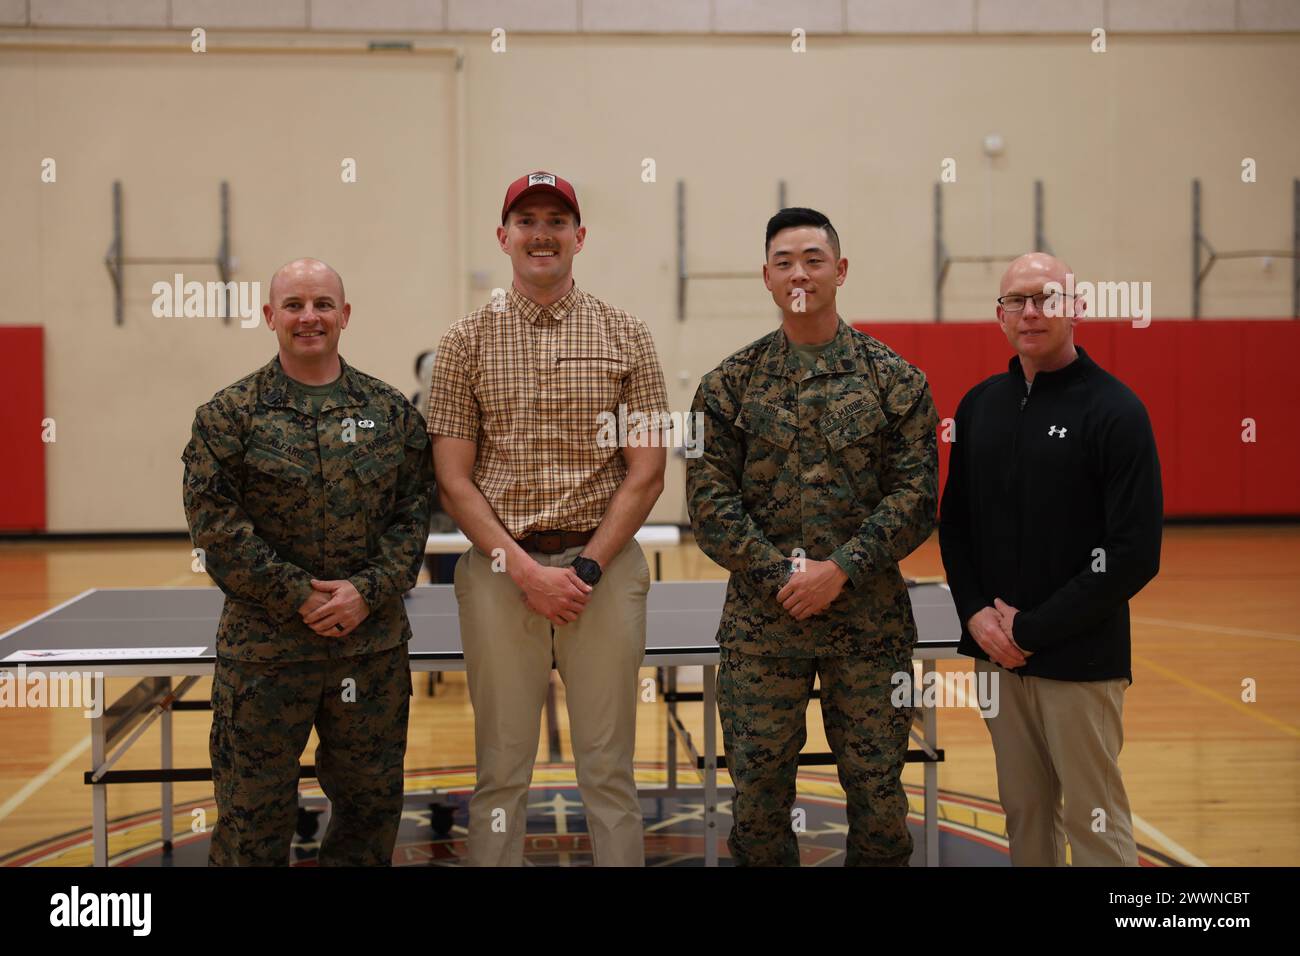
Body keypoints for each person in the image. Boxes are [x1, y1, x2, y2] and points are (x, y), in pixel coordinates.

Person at [428, 171, 669, 866]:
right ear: (503, 238)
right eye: (526, 220)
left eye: (556, 221)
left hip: (606, 572)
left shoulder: (628, 335)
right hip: (502, 575)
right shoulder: (465, 341)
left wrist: (585, 567)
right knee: (501, 772)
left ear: (579, 237)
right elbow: (453, 479)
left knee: (609, 772)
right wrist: (526, 571)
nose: (542, 233)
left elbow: (647, 472)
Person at [686, 207, 939, 866]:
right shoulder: (726, 387)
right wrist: (783, 578)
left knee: (878, 794)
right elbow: (709, 505)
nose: (799, 272)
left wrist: (842, 568)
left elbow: (916, 498)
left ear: (841, 270)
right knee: (760, 798)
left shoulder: (897, 381)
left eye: (813, 259)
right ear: (766, 278)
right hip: (763, 629)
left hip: (870, 625)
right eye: (784, 261)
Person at [182, 257, 434, 866]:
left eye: (323, 304)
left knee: (370, 815)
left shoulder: (391, 413)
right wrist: (299, 593)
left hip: (368, 654)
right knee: (252, 820)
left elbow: (414, 515)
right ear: (270, 316)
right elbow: (216, 528)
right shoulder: (229, 416)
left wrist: (365, 591)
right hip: (265, 658)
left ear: (345, 315)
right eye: (294, 305)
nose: (309, 317)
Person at [938, 252, 1162, 866]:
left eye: (1046, 298)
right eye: (1017, 301)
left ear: (1076, 308)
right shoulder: (980, 405)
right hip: (997, 661)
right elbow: (955, 526)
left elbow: (1134, 553)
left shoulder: (1115, 412)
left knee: (1092, 821)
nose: (1031, 312)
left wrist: (1032, 630)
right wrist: (977, 616)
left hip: (1081, 661)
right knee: (1025, 812)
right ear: (1000, 315)